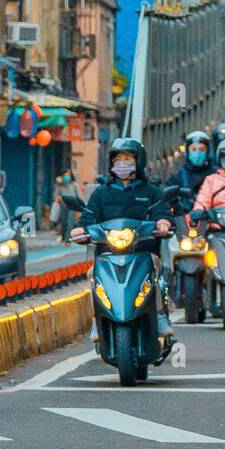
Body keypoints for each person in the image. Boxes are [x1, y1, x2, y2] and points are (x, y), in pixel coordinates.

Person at [70, 137, 175, 339]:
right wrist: (80, 229)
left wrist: (163, 222)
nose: (123, 164)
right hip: (108, 254)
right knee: (92, 275)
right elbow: (88, 217)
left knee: (153, 275)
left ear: (139, 161)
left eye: (128, 158)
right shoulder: (101, 193)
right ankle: (97, 320)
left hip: (144, 252)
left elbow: (163, 211)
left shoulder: (151, 192)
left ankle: (159, 316)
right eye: (118, 159)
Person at [52, 169, 82, 242]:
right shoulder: (59, 184)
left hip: (72, 205)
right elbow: (55, 194)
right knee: (63, 221)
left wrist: (80, 206)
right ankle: (63, 236)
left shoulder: (74, 184)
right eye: (65, 175)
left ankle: (68, 237)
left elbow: (79, 195)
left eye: (68, 175)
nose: (67, 177)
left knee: (70, 221)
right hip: (63, 204)